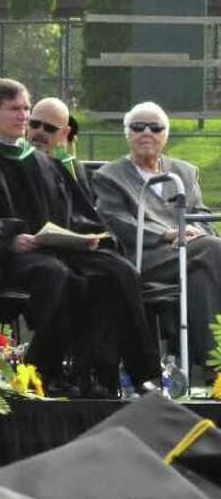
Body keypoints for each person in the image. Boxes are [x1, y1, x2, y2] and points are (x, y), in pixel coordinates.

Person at [0, 78, 160, 396]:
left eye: (25, 109)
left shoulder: (42, 161)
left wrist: (88, 236)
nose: (23, 116)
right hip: (10, 258)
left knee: (119, 270)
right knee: (58, 276)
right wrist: (9, 240)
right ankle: (45, 371)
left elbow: (75, 215)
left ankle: (121, 374)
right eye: (14, 109)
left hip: (57, 249)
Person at [93, 101, 221, 370]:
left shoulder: (184, 172)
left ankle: (211, 366)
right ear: (127, 134)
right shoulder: (110, 176)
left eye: (155, 127)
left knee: (202, 275)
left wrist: (196, 235)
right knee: (212, 250)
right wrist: (167, 234)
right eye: (138, 127)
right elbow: (116, 221)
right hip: (144, 257)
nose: (146, 133)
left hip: (192, 254)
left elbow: (200, 214)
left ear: (166, 134)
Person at [26, 97, 94, 205]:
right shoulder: (11, 160)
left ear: (65, 133)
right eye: (34, 124)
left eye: (49, 128)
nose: (39, 131)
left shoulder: (72, 170)